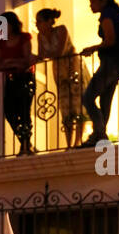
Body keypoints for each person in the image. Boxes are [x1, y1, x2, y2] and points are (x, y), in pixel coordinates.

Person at [80, 0, 119, 146]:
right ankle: (99, 136)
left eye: (93, 1)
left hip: (111, 63)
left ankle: (99, 134)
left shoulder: (107, 16)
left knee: (88, 97)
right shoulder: (115, 15)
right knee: (105, 100)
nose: (91, 5)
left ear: (103, 1)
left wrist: (92, 48)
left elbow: (110, 40)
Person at [35, 8, 86, 148]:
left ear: (49, 22)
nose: (37, 24)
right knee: (65, 107)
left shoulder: (61, 30)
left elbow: (59, 52)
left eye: (39, 21)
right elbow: (41, 55)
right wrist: (46, 55)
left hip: (73, 68)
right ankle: (69, 144)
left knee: (77, 104)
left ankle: (77, 142)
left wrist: (47, 55)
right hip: (59, 72)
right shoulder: (40, 36)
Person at [0, 11, 36, 156]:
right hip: (11, 80)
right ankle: (25, 142)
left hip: (25, 78)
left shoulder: (24, 38)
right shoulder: (1, 43)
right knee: (9, 112)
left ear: (12, 24)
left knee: (24, 111)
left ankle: (25, 146)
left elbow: (27, 60)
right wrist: (14, 63)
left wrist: (10, 62)